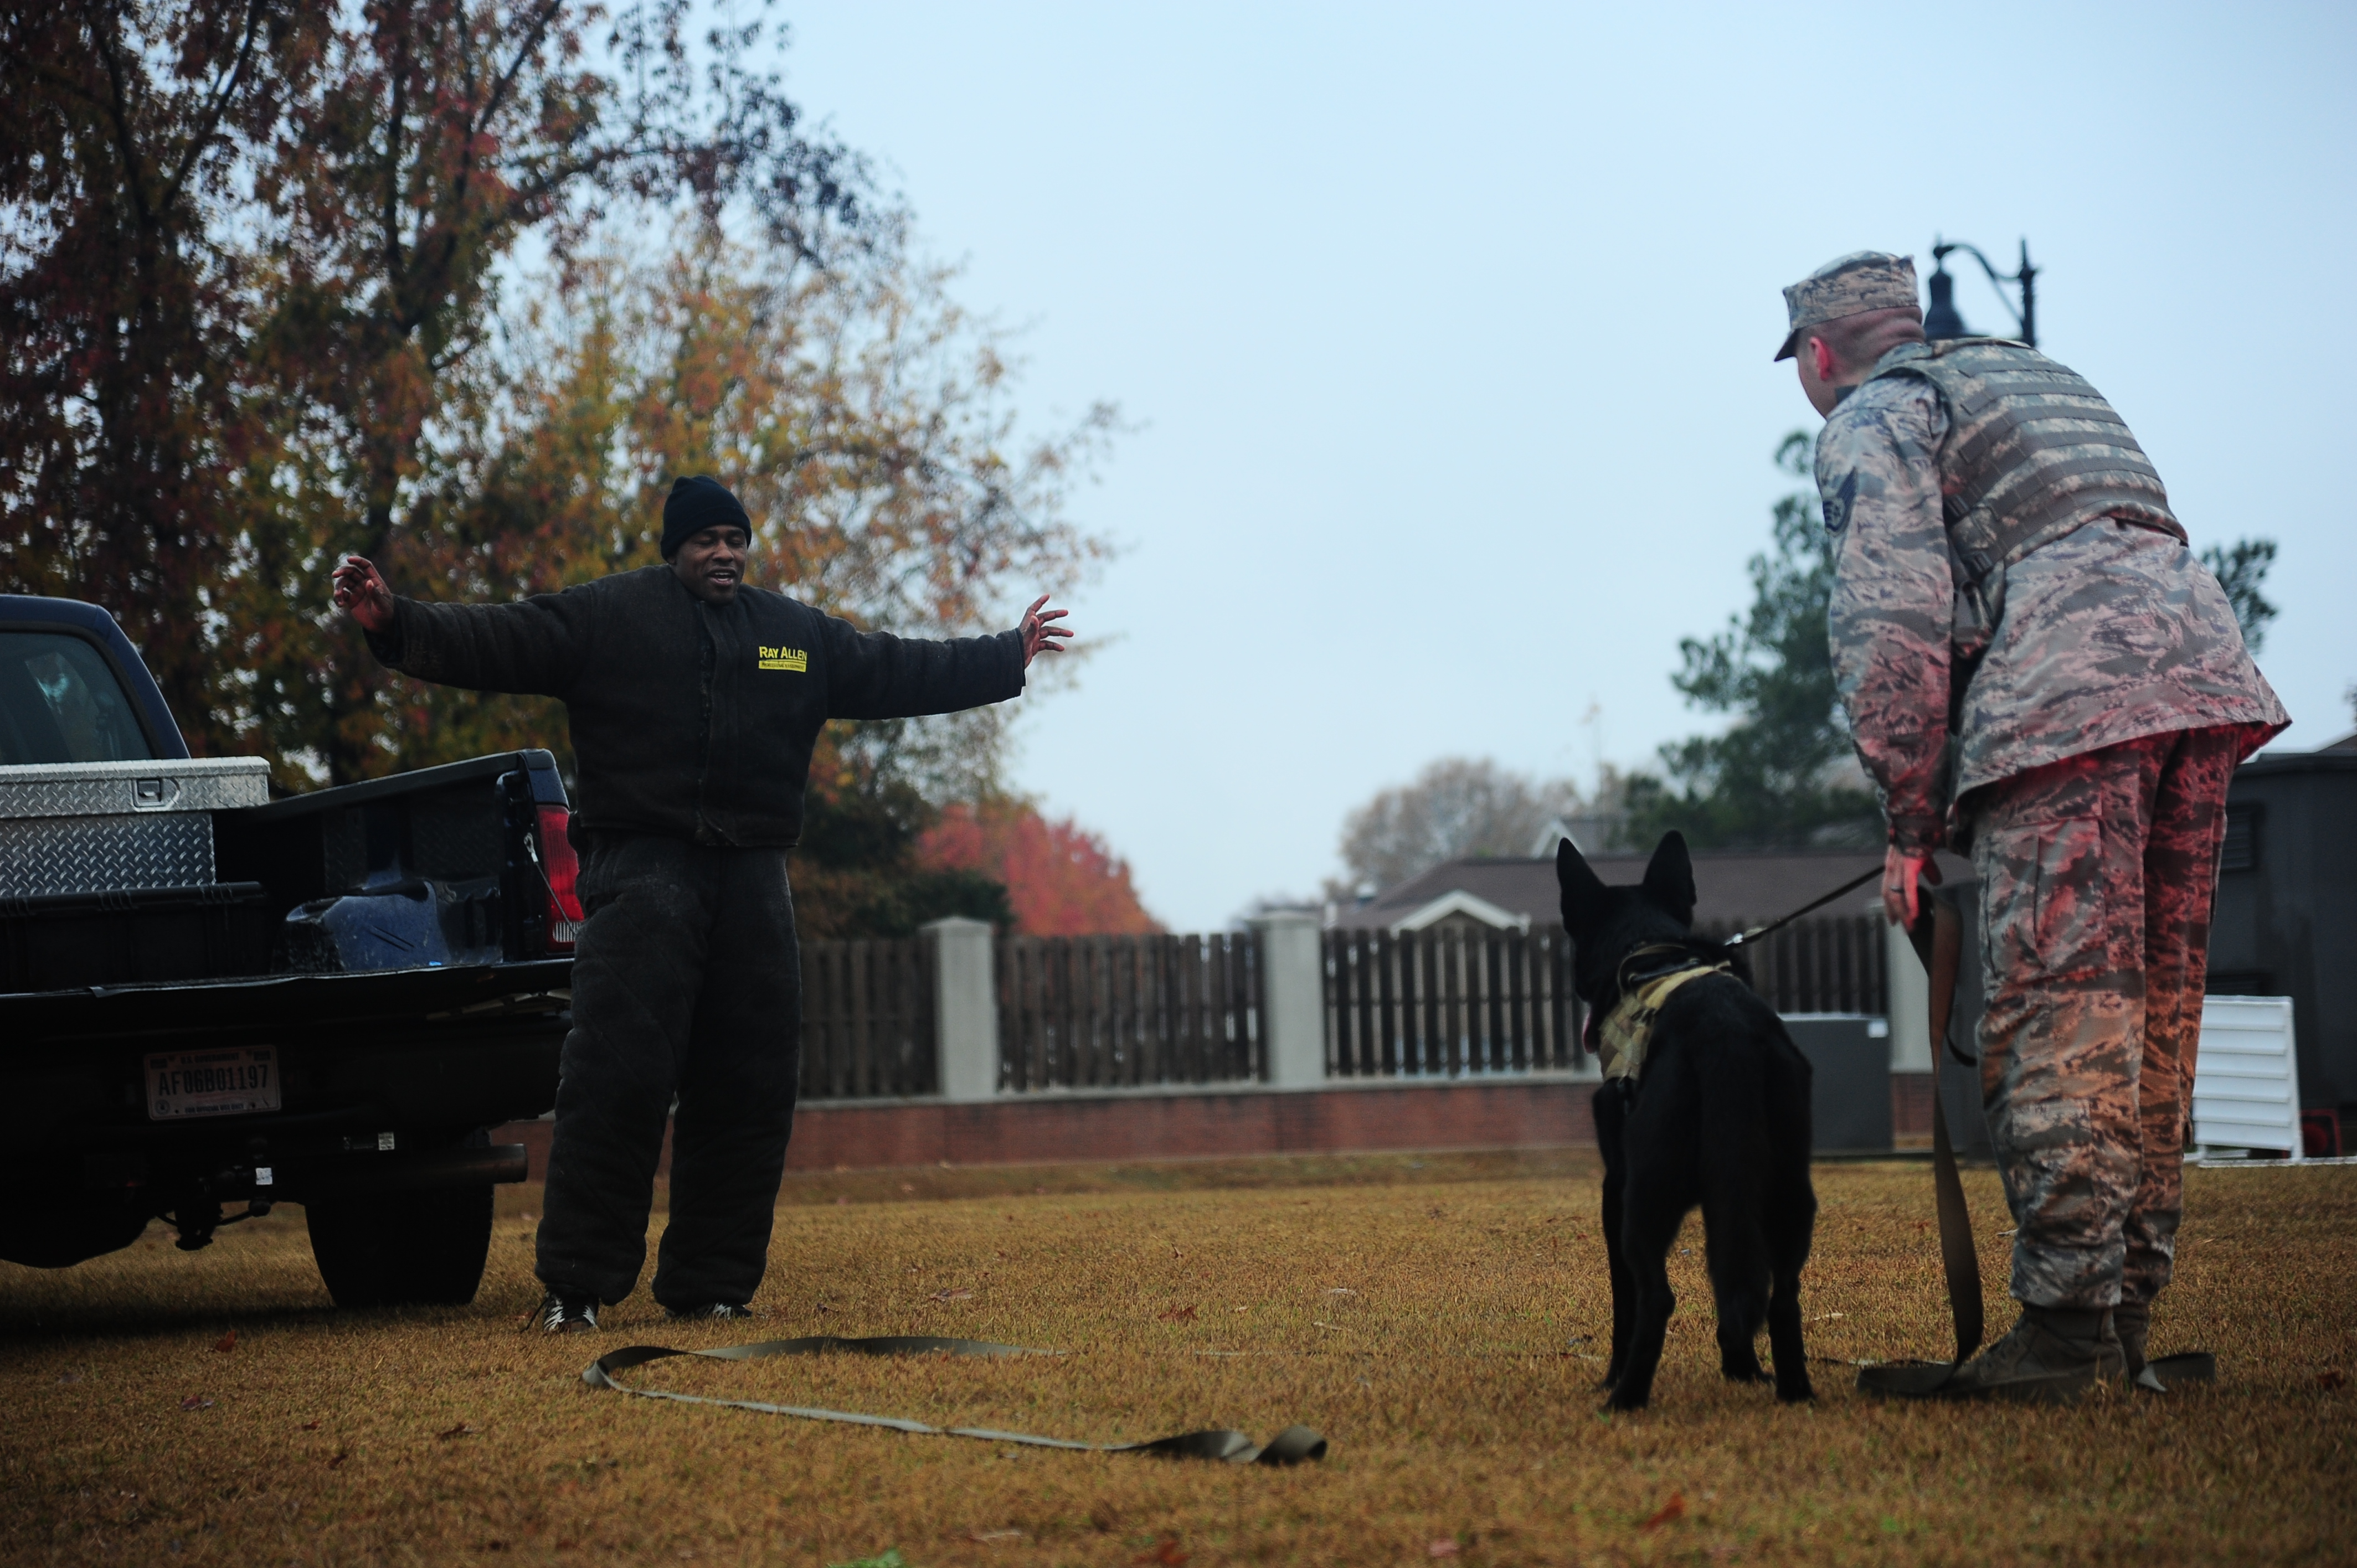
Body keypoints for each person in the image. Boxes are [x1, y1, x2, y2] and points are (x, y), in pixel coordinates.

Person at [331, 476, 1072, 1331]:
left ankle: (713, 1285)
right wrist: (396, 622)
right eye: (706, 540)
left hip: (754, 881)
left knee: (749, 1087)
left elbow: (894, 668)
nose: (724, 553)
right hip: (642, 877)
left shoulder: (791, 636)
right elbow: (500, 637)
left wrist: (1005, 655)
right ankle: (576, 1288)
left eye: (735, 539)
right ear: (674, 549)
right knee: (615, 1082)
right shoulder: (611, 617)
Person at [1779, 252, 2288, 1399]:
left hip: (2066, 701)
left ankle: (2064, 1337)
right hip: (2199, 676)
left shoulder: (1874, 414)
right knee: (2150, 1015)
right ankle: (2120, 1323)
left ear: (1817, 354)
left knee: (2061, 1016)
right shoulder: (2034, 378)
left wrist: (1910, 823)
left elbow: (1890, 621)